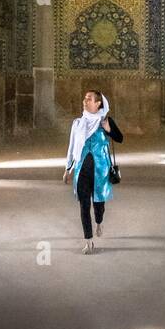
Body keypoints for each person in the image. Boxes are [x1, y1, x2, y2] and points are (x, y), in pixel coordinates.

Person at [64, 89, 123, 254]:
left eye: (89, 99)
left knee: (99, 204)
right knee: (84, 205)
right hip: (82, 171)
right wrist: (68, 168)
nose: (85, 100)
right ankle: (88, 241)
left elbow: (120, 138)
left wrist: (109, 128)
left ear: (98, 104)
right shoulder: (78, 123)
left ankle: (99, 221)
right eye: (84, 98)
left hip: (101, 172)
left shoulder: (105, 121)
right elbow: (71, 147)